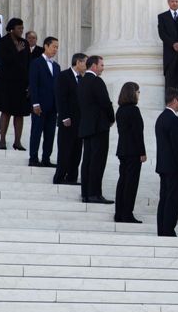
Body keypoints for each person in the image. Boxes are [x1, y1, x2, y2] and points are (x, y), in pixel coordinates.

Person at [77, 55, 115, 204]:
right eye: (101, 65)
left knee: (87, 160)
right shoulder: (96, 81)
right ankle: (94, 194)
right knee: (97, 161)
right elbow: (106, 102)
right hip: (99, 127)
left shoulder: (82, 81)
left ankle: (86, 193)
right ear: (93, 66)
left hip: (86, 127)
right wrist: (111, 118)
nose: (103, 68)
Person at [0, 18, 31, 152]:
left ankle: (17, 141)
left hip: (21, 83)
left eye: (22, 28)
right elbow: (3, 60)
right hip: (7, 82)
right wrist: (16, 50)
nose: (21, 30)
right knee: (6, 111)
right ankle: (2, 140)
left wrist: (30, 83)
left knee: (19, 113)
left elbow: (28, 63)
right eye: (19, 28)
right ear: (12, 29)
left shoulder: (25, 43)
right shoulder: (3, 41)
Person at [113, 82, 146, 224]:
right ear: (132, 93)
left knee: (122, 181)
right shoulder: (134, 110)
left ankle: (119, 213)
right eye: (138, 92)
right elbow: (138, 134)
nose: (139, 95)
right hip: (133, 152)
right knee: (131, 184)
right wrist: (142, 152)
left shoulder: (120, 110)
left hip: (123, 150)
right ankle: (127, 213)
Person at [154, 88, 178, 237]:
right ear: (174, 101)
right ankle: (168, 230)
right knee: (172, 200)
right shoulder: (173, 120)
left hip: (163, 166)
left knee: (164, 199)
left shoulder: (161, 118)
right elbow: (177, 147)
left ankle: (162, 229)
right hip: (173, 168)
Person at [52, 53, 86, 185]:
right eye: (85, 62)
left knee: (77, 151)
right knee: (65, 150)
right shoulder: (64, 76)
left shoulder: (82, 79)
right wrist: (64, 116)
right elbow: (60, 98)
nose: (86, 65)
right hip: (67, 121)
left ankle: (72, 177)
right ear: (78, 62)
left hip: (79, 122)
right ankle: (59, 177)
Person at [26, 37, 59, 167]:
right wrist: (35, 103)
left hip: (53, 106)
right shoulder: (36, 63)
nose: (55, 49)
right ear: (46, 46)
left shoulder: (56, 66)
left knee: (50, 134)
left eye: (57, 47)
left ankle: (46, 158)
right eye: (54, 46)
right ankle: (33, 158)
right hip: (39, 105)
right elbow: (33, 84)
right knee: (36, 132)